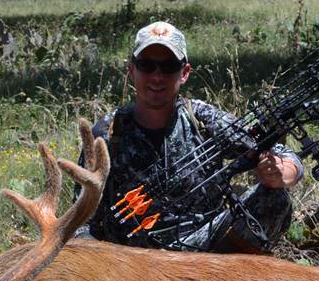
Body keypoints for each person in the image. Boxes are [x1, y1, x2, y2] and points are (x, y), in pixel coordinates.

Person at [83, 21, 302, 253]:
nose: (157, 77)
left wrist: (283, 171)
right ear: (131, 71)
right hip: (132, 264)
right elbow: (84, 219)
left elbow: (281, 153)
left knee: (273, 200)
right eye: (147, 65)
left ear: (185, 73)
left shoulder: (202, 120)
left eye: (168, 67)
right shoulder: (107, 133)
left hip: (203, 254)